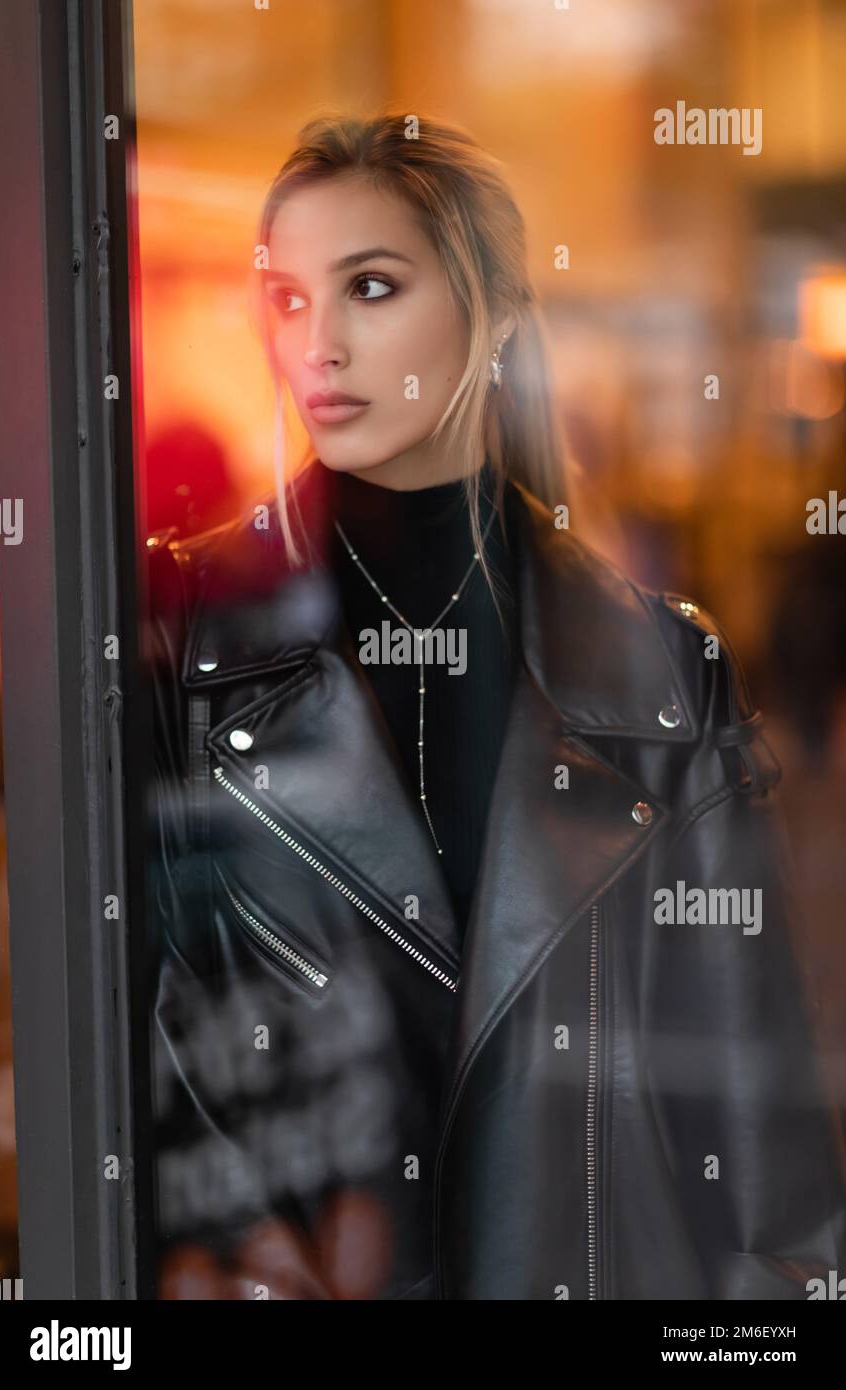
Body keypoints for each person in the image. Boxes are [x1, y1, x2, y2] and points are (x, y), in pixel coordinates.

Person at [146, 112, 845, 1300]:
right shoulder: (182, 640)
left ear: (492, 313)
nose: (318, 344)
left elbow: (761, 1157)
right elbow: (143, 1077)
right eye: (287, 299)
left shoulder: (660, 675)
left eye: (369, 287)